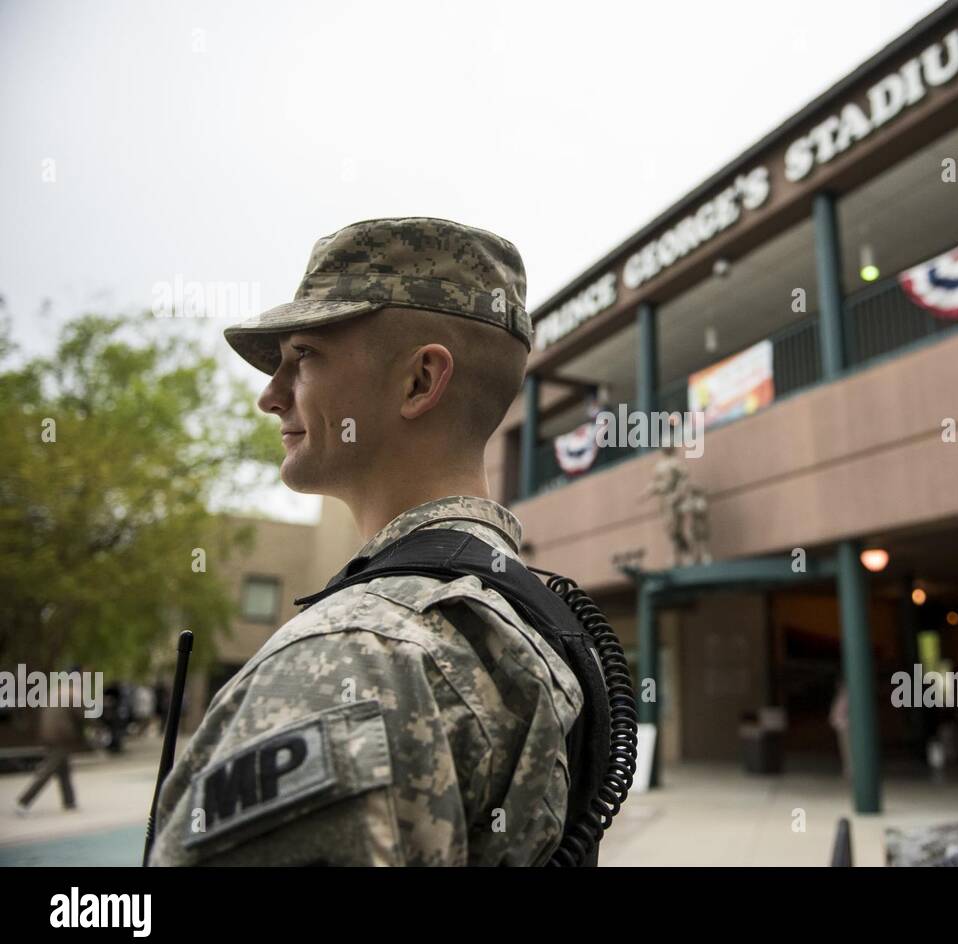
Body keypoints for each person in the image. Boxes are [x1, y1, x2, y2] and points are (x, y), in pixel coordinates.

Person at [148, 218, 583, 866]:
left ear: (418, 381)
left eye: (303, 358)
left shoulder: (352, 655)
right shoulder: (535, 623)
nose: (271, 396)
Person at [15, 700, 82, 814]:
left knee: (63, 768)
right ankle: (24, 800)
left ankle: (69, 801)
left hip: (48, 735)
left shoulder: (56, 697)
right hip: (60, 736)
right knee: (49, 770)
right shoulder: (73, 697)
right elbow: (82, 715)